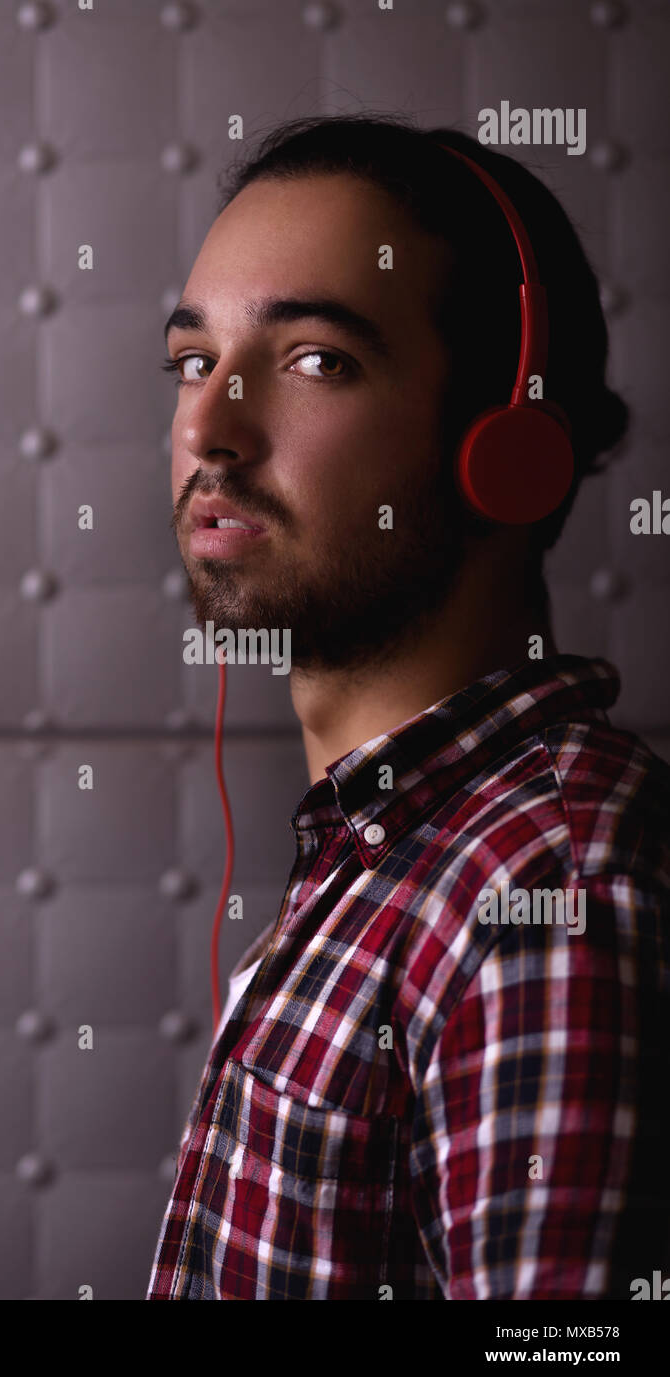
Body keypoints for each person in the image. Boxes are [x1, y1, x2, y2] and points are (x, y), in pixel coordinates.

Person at [147, 113, 670, 1300]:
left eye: (315, 359)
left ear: (508, 444)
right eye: (193, 361)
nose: (204, 430)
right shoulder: (388, 848)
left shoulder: (549, 896)